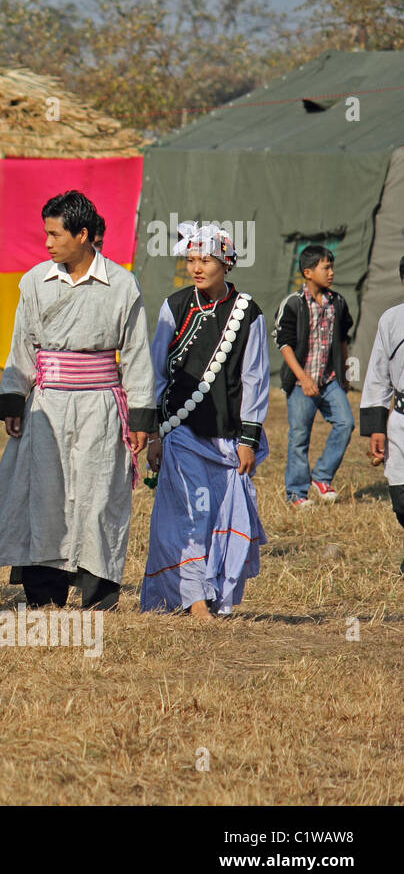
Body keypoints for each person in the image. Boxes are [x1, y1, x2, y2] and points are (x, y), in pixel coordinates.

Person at [0, 190, 154, 610]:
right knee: (46, 495)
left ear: (83, 234)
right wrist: (13, 402)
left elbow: (134, 354)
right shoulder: (35, 281)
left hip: (100, 405)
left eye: (55, 234)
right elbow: (22, 347)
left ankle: (97, 594)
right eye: (45, 234)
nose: (47, 243)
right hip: (48, 406)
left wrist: (140, 417)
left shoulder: (121, 284)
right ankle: (44, 592)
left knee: (98, 496)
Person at [141, 223, 269, 618]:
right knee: (190, 514)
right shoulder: (175, 306)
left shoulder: (247, 312)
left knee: (224, 516)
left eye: (206, 260)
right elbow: (157, 373)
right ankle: (194, 599)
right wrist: (157, 435)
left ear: (226, 263)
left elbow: (254, 378)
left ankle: (218, 597)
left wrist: (249, 438)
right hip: (181, 433)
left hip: (229, 439)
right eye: (191, 260)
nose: (197, 267)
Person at [274, 245, 354, 506]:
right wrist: (303, 378)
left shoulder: (337, 302)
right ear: (307, 272)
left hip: (329, 380)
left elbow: (342, 338)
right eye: (325, 267)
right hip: (301, 382)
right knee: (299, 437)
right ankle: (296, 493)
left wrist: (343, 374)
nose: (331, 272)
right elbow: (284, 344)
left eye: (332, 266)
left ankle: (321, 477)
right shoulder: (293, 304)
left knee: (345, 423)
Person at [361, 257, 404, 570]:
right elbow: (378, 374)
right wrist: (376, 427)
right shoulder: (392, 320)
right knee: (401, 501)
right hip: (401, 421)